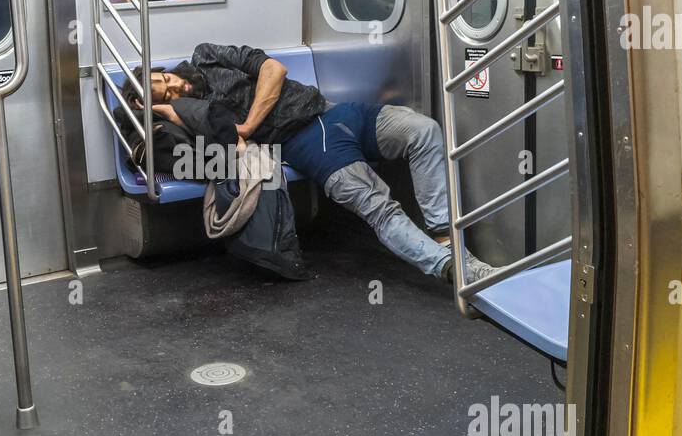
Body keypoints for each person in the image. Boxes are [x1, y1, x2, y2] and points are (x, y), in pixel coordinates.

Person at [133, 44, 494, 284]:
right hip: (308, 144)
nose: (176, 87)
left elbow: (273, 69)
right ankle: (455, 270)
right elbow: (223, 146)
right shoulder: (193, 113)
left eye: (167, 79)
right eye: (168, 94)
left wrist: (250, 122)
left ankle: (444, 234)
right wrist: (170, 111)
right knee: (379, 206)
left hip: (336, 111)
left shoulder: (206, 56)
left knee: (423, 130)